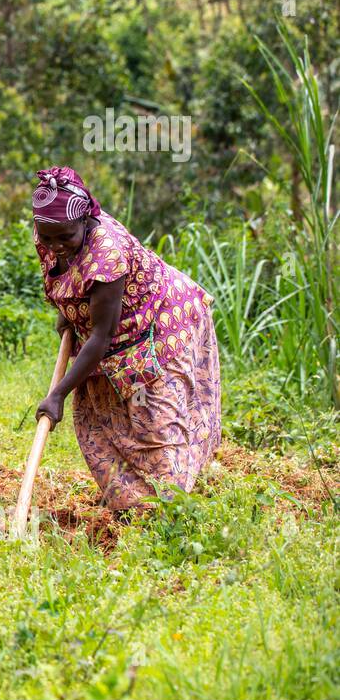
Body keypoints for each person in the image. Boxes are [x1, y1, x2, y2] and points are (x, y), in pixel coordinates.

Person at [31, 166, 221, 511]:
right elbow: (64, 273)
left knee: (156, 425)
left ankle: (170, 513)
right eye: (48, 237)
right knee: (101, 421)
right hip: (112, 332)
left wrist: (57, 395)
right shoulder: (49, 231)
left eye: (65, 238)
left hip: (159, 324)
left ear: (86, 221)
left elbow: (101, 339)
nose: (56, 246)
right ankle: (133, 507)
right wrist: (67, 309)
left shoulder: (107, 254)